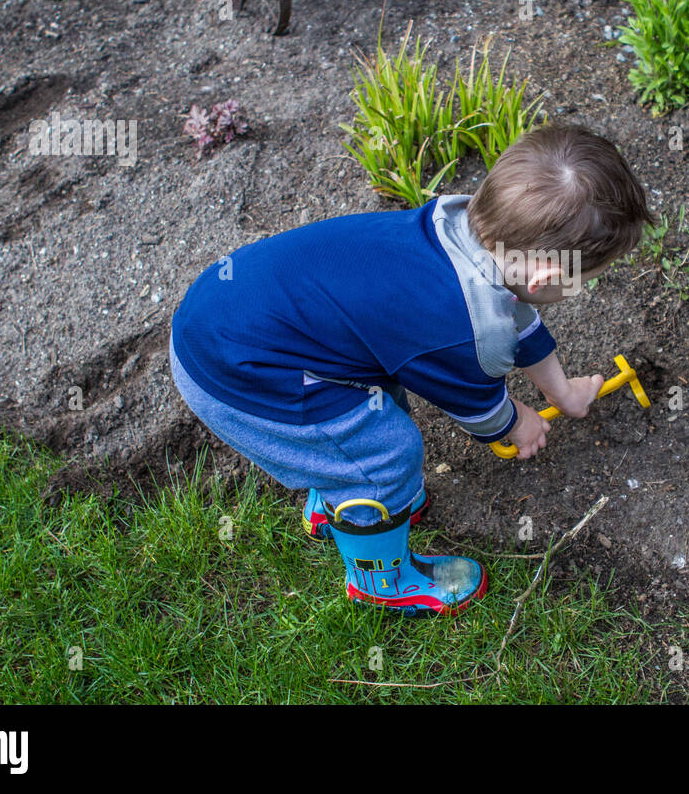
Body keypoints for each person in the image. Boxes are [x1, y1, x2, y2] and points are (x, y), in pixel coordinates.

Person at [169, 123, 654, 616]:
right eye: (589, 279)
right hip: (242, 376)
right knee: (384, 454)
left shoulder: (467, 228)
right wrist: (517, 422)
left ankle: (343, 498)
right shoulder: (462, 321)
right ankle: (381, 577)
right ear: (549, 277)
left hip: (224, 321)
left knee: (376, 402)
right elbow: (474, 401)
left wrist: (563, 392)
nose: (589, 286)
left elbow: (518, 318)